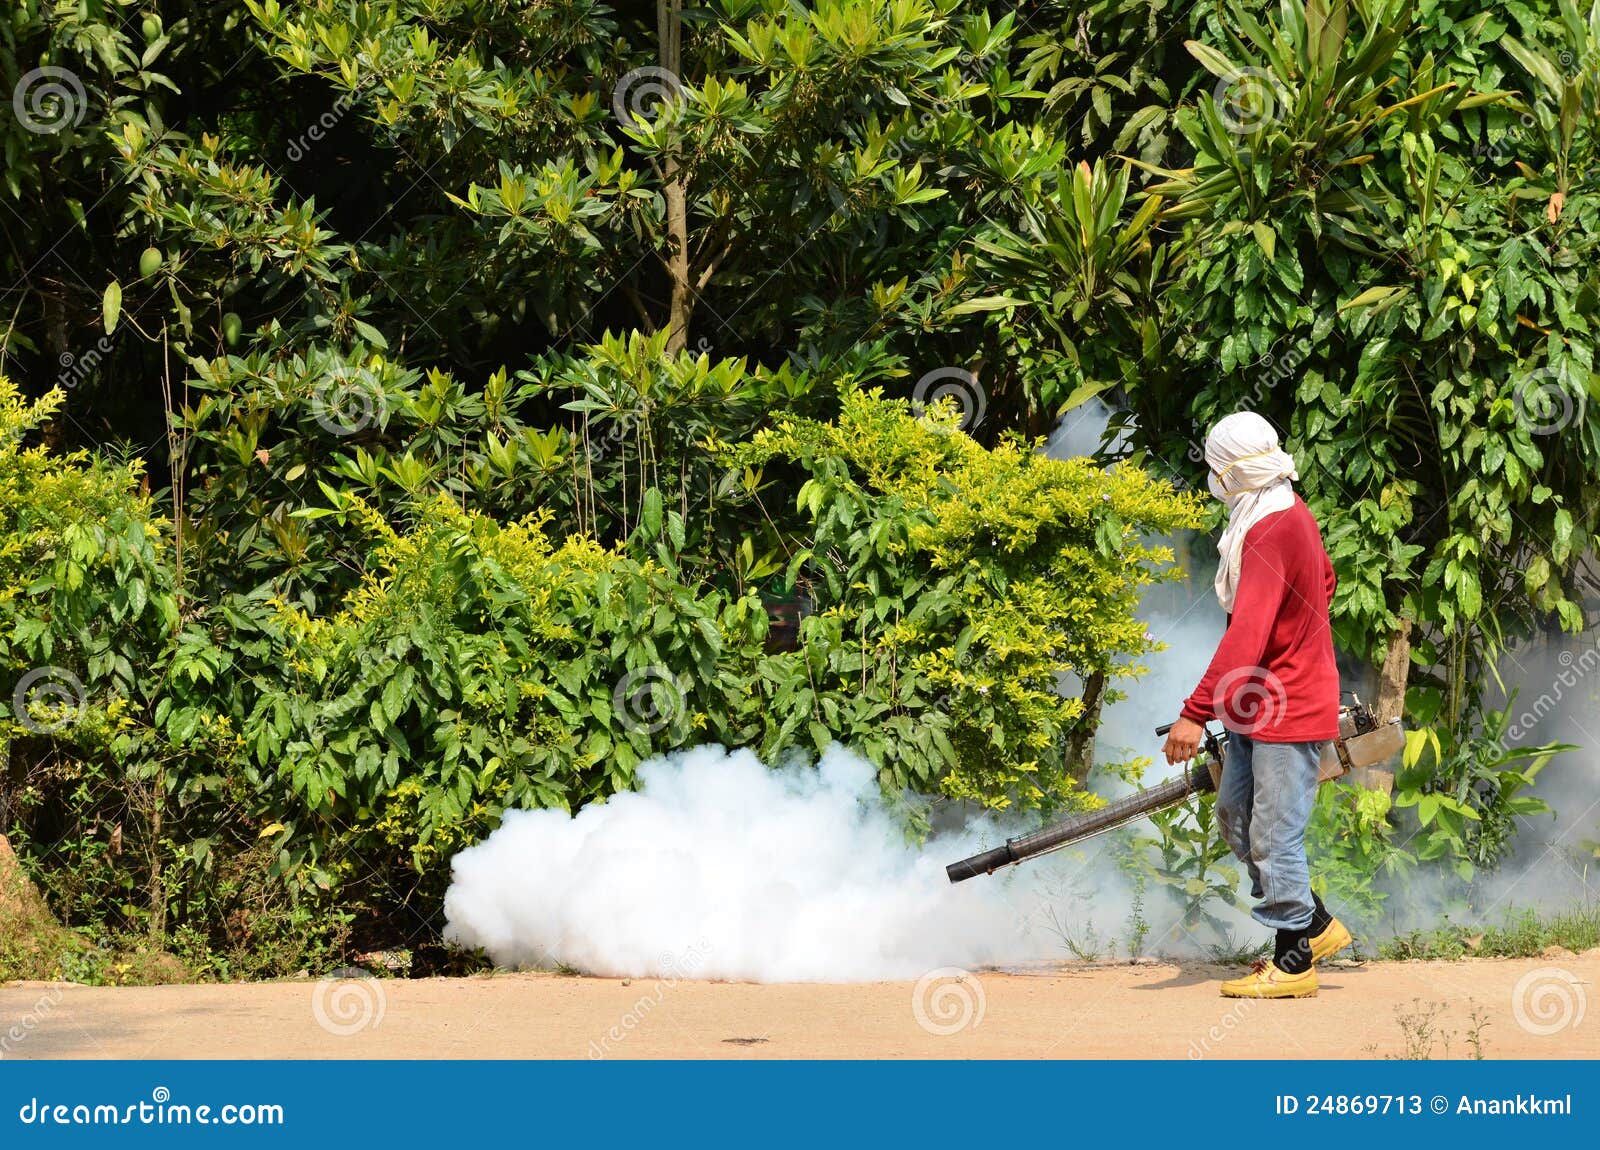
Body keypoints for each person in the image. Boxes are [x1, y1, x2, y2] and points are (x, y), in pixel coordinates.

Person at [1161, 412, 1351, 998]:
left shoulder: (1272, 527)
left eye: (1218, 468)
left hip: (1286, 704)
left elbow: (1246, 635)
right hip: (1258, 700)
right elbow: (1327, 581)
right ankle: (1313, 925)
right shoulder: (1280, 510)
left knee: (1273, 834)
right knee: (1236, 819)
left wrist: (1195, 712)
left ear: (1236, 469)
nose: (1215, 478)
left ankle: (1293, 964)